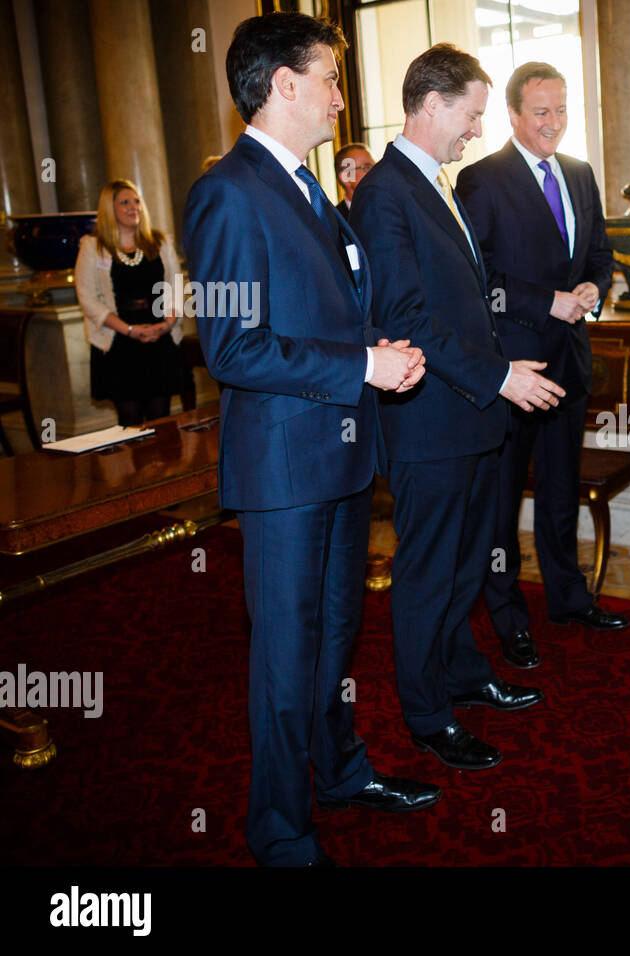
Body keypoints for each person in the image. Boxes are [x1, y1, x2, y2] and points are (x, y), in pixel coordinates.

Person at [181, 11, 440, 867]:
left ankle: (340, 771)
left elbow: (333, 313)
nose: (340, 96)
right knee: (286, 659)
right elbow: (231, 346)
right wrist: (359, 368)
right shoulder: (228, 190)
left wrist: (377, 353)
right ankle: (282, 834)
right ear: (282, 84)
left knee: (333, 641)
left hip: (337, 455)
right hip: (286, 468)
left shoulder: (307, 186)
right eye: (329, 78)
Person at [349, 43, 556, 772]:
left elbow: (463, 303)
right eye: (470, 114)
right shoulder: (383, 193)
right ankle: (427, 715)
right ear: (431, 104)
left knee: (467, 564)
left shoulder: (433, 182)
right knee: (429, 574)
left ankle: (464, 673)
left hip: (468, 413)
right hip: (428, 421)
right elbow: (406, 319)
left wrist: (500, 369)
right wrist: (499, 377)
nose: (476, 129)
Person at [456, 62, 627, 671]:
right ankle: (507, 617)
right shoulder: (481, 180)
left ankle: (568, 598)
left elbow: (601, 253)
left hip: (569, 365)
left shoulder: (579, 174)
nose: (553, 122)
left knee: (559, 494)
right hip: (511, 370)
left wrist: (591, 288)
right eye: (540, 112)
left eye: (560, 110)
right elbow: (476, 281)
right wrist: (544, 300)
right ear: (513, 115)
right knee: (501, 505)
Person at [75, 180, 191, 426]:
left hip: (160, 337)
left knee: (162, 419)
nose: (133, 207)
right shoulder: (93, 246)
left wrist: (167, 325)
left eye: (137, 201)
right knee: (130, 419)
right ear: (110, 208)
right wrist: (129, 330)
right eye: (125, 202)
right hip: (118, 341)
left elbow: (175, 285)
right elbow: (87, 297)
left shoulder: (159, 241)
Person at [333, 142, 374, 220]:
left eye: (375, 166)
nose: (375, 172)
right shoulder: (334, 222)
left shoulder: (389, 210)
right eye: (366, 167)